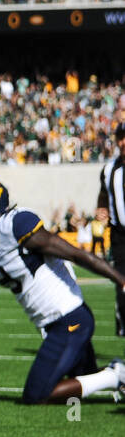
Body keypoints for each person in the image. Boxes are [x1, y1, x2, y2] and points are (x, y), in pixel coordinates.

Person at [0, 177, 125, 405]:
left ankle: (117, 375)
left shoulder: (15, 226)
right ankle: (115, 375)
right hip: (50, 324)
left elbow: (75, 254)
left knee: (37, 393)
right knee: (83, 379)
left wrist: (120, 280)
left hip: (70, 318)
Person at [95, 123, 125, 334]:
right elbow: (104, 196)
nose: (123, 142)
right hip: (120, 235)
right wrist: (101, 208)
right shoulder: (109, 170)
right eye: (120, 138)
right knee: (122, 283)